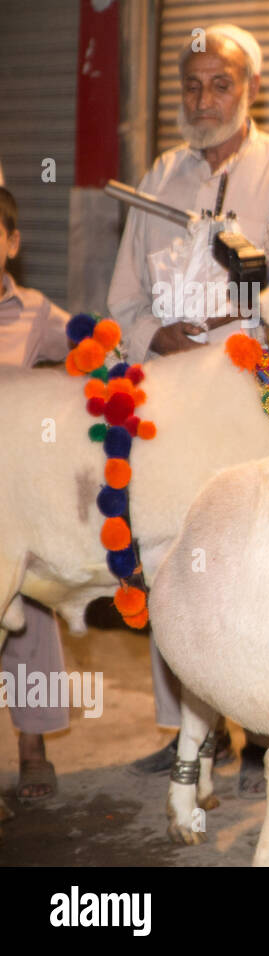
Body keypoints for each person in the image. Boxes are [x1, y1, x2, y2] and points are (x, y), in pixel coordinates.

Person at [108, 24, 269, 791]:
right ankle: (188, 737)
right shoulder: (156, 178)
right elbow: (121, 299)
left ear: (251, 91)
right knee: (170, 551)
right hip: (170, 401)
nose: (205, 98)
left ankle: (267, 731)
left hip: (251, 400)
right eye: (193, 84)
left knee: (254, 558)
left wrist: (240, 329)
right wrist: (152, 333)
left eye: (221, 84)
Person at [0, 187, 70, 800]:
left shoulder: (34, 312)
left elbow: (93, 347)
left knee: (31, 619)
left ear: (12, 242)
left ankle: (32, 745)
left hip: (16, 495)